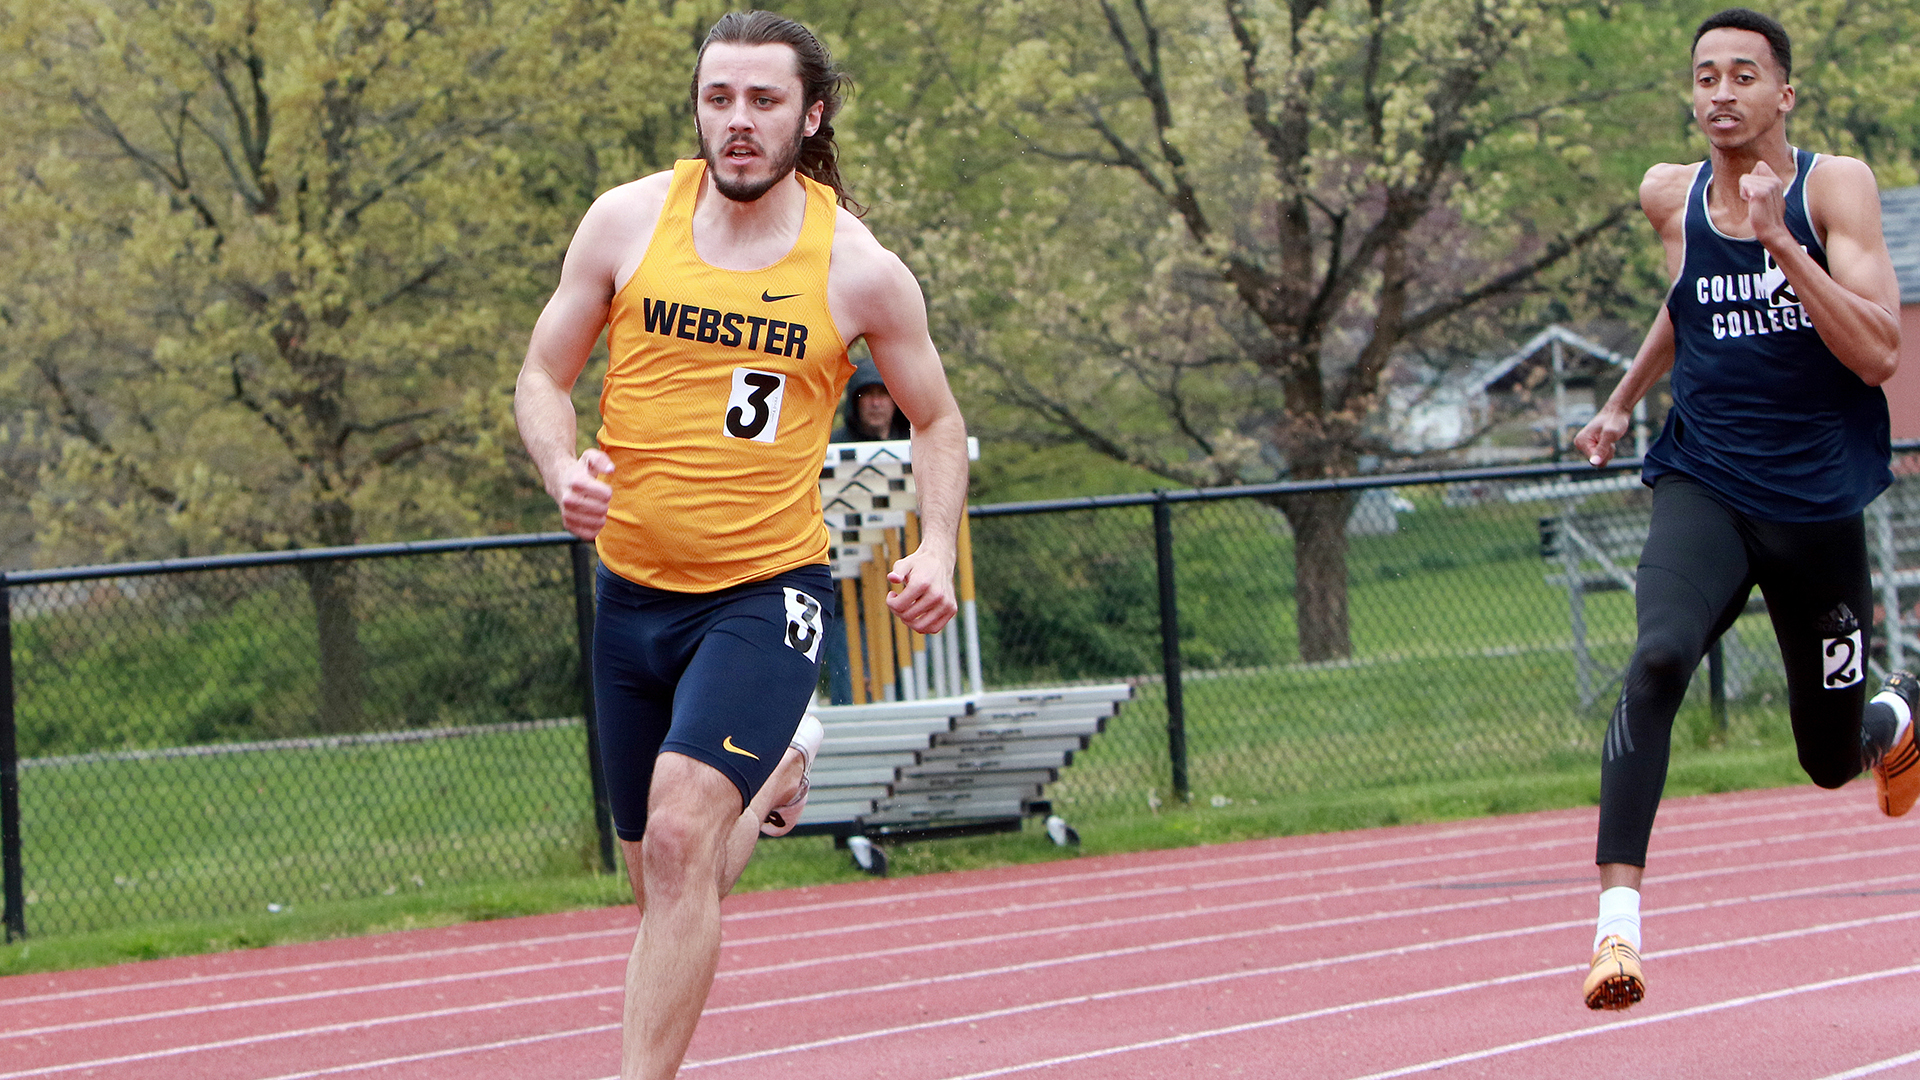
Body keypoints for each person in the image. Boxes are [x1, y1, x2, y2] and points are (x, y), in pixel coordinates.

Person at [512, 11, 968, 1077]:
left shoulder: (857, 269)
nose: (738, 122)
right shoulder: (625, 223)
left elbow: (936, 419)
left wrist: (936, 546)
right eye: (720, 99)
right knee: (671, 877)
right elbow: (544, 375)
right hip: (631, 595)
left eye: (763, 101)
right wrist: (560, 470)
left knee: (679, 844)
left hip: (765, 593)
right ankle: (781, 760)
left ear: (809, 118)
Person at [1572, 7, 1905, 1012]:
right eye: (1705, 76)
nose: (1721, 92)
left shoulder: (1834, 186)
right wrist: (1625, 400)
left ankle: (1893, 712)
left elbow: (1880, 351)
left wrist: (1778, 241)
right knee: (1660, 654)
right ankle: (1615, 935)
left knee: (1826, 762)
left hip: (1814, 507)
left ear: (1783, 94)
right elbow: (1688, 301)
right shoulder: (1668, 196)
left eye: (1743, 75)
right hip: (1704, 477)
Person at [833, 355, 912, 441]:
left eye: (883, 393)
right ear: (855, 401)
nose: (876, 403)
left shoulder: (915, 444)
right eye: (867, 393)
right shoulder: (833, 447)